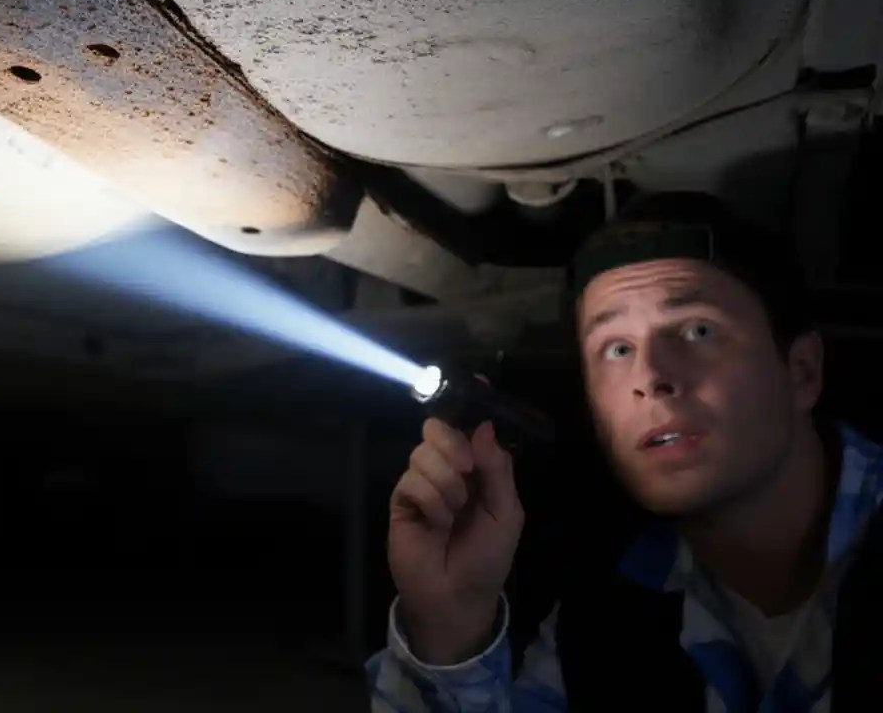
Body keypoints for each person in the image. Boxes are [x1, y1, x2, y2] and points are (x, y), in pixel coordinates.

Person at [367, 192, 882, 712]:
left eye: (697, 330)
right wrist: (448, 627)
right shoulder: (597, 628)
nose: (651, 378)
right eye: (617, 349)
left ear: (801, 372)